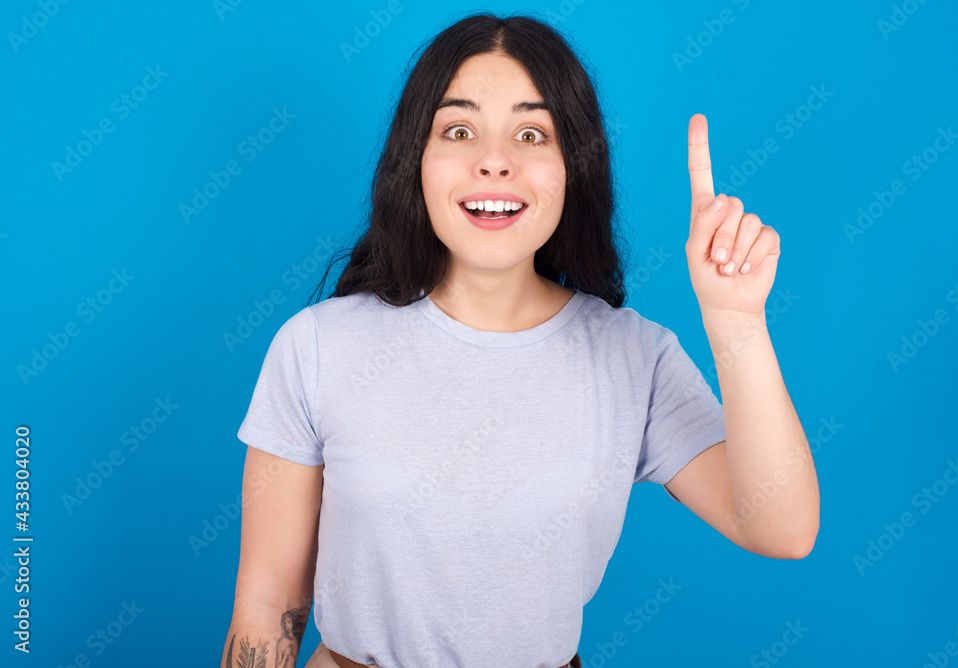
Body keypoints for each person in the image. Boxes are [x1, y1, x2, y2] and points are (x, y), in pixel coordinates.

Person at [220, 11, 819, 668]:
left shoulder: (634, 357)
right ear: (415, 159)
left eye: (531, 133)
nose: (494, 162)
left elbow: (781, 527)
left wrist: (736, 319)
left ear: (574, 167)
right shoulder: (315, 348)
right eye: (458, 130)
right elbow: (268, 597)